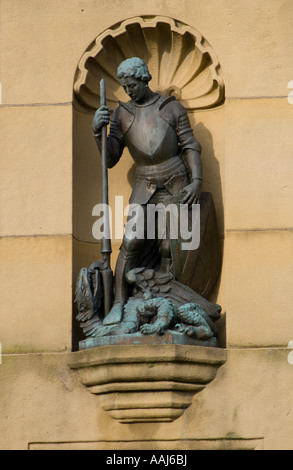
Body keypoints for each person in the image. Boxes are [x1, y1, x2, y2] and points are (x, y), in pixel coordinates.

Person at [92, 57, 203, 326]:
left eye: (132, 85)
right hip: (144, 186)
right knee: (130, 243)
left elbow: (189, 145)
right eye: (125, 86)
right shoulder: (122, 114)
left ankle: (169, 303)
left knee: (171, 248)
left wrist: (197, 180)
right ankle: (118, 305)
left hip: (177, 182)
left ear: (144, 79)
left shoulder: (170, 108)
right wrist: (98, 131)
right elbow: (110, 158)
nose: (128, 90)